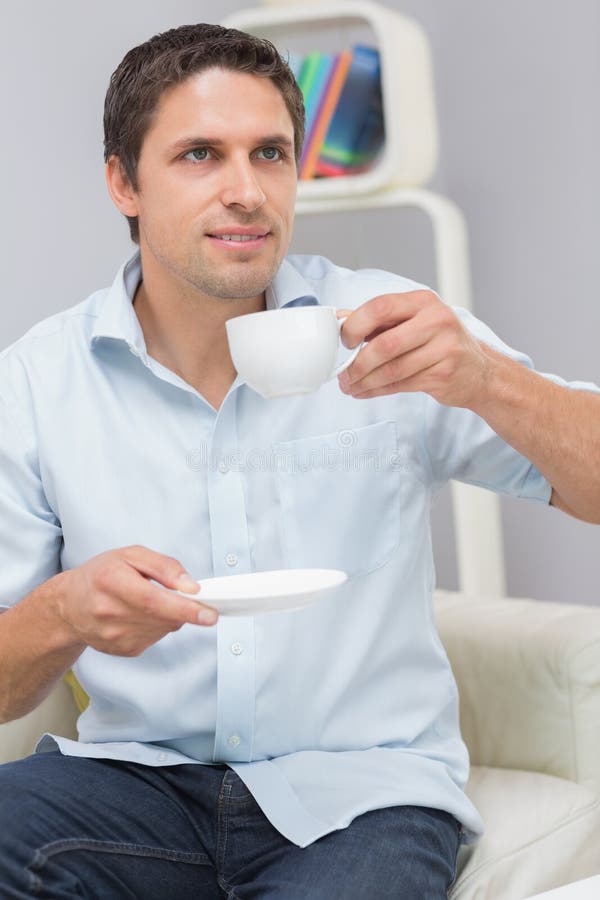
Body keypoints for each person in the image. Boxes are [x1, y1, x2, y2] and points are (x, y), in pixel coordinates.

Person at [0, 22, 598, 900]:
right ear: (123, 182)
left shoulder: (392, 326)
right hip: (135, 784)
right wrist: (63, 614)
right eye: (201, 154)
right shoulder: (37, 383)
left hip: (366, 795)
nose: (246, 191)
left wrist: (490, 381)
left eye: (270, 153)